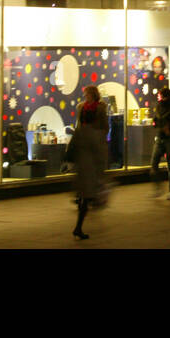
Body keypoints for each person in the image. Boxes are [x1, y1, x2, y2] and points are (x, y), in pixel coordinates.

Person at [69, 85, 109, 239]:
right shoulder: (81, 108)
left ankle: (79, 224)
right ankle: (79, 224)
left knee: (86, 190)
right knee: (85, 190)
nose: (86, 95)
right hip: (85, 152)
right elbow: (79, 127)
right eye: (85, 93)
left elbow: (105, 127)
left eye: (88, 93)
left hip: (91, 151)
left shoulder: (99, 109)